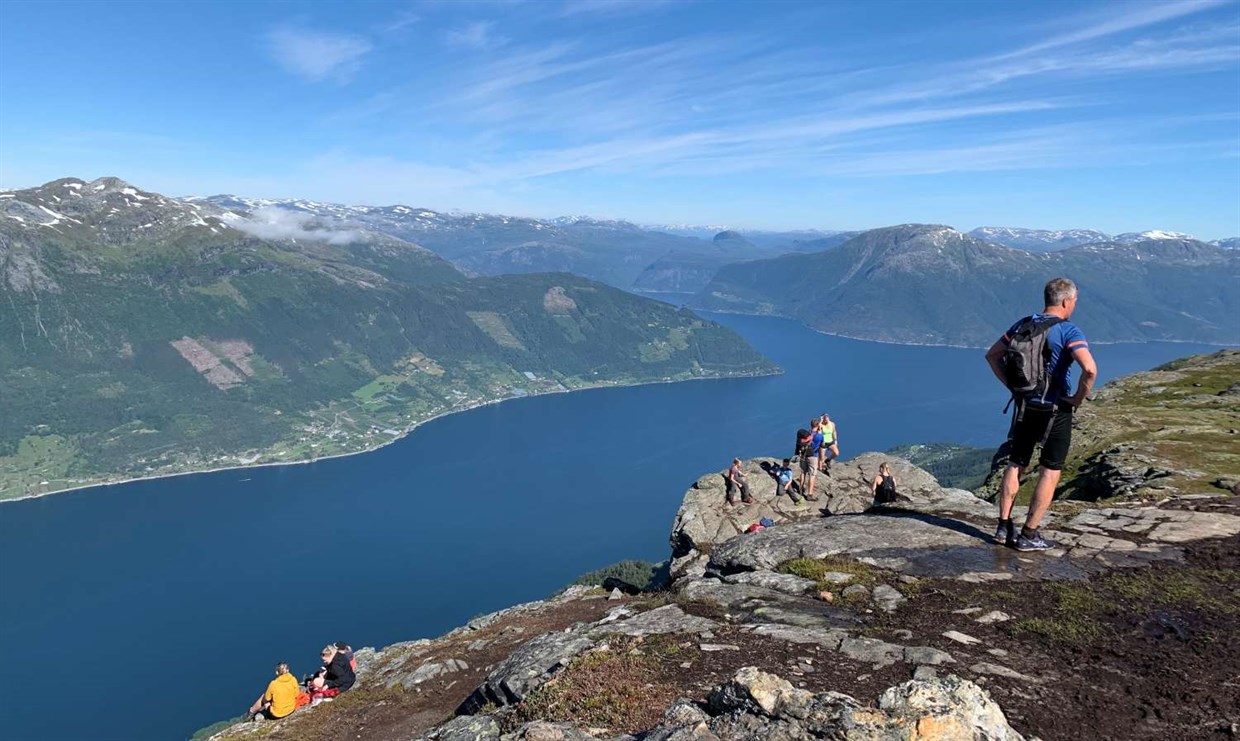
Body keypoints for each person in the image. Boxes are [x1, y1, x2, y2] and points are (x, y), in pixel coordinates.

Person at [985, 277, 1097, 552]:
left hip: (1025, 406)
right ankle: (1029, 534)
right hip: (1055, 409)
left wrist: (1015, 388)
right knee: (1050, 469)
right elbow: (1090, 369)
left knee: (1016, 463)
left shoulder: (1023, 324)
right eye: (1075, 301)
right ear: (1066, 301)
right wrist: (1077, 399)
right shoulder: (1069, 331)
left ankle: (1003, 526)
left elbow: (993, 355)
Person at [794, 422, 822, 502]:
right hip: (812, 456)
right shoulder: (818, 436)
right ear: (818, 426)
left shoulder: (805, 434)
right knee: (812, 475)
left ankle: (801, 489)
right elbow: (822, 445)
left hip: (803, 456)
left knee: (803, 472)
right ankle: (809, 494)